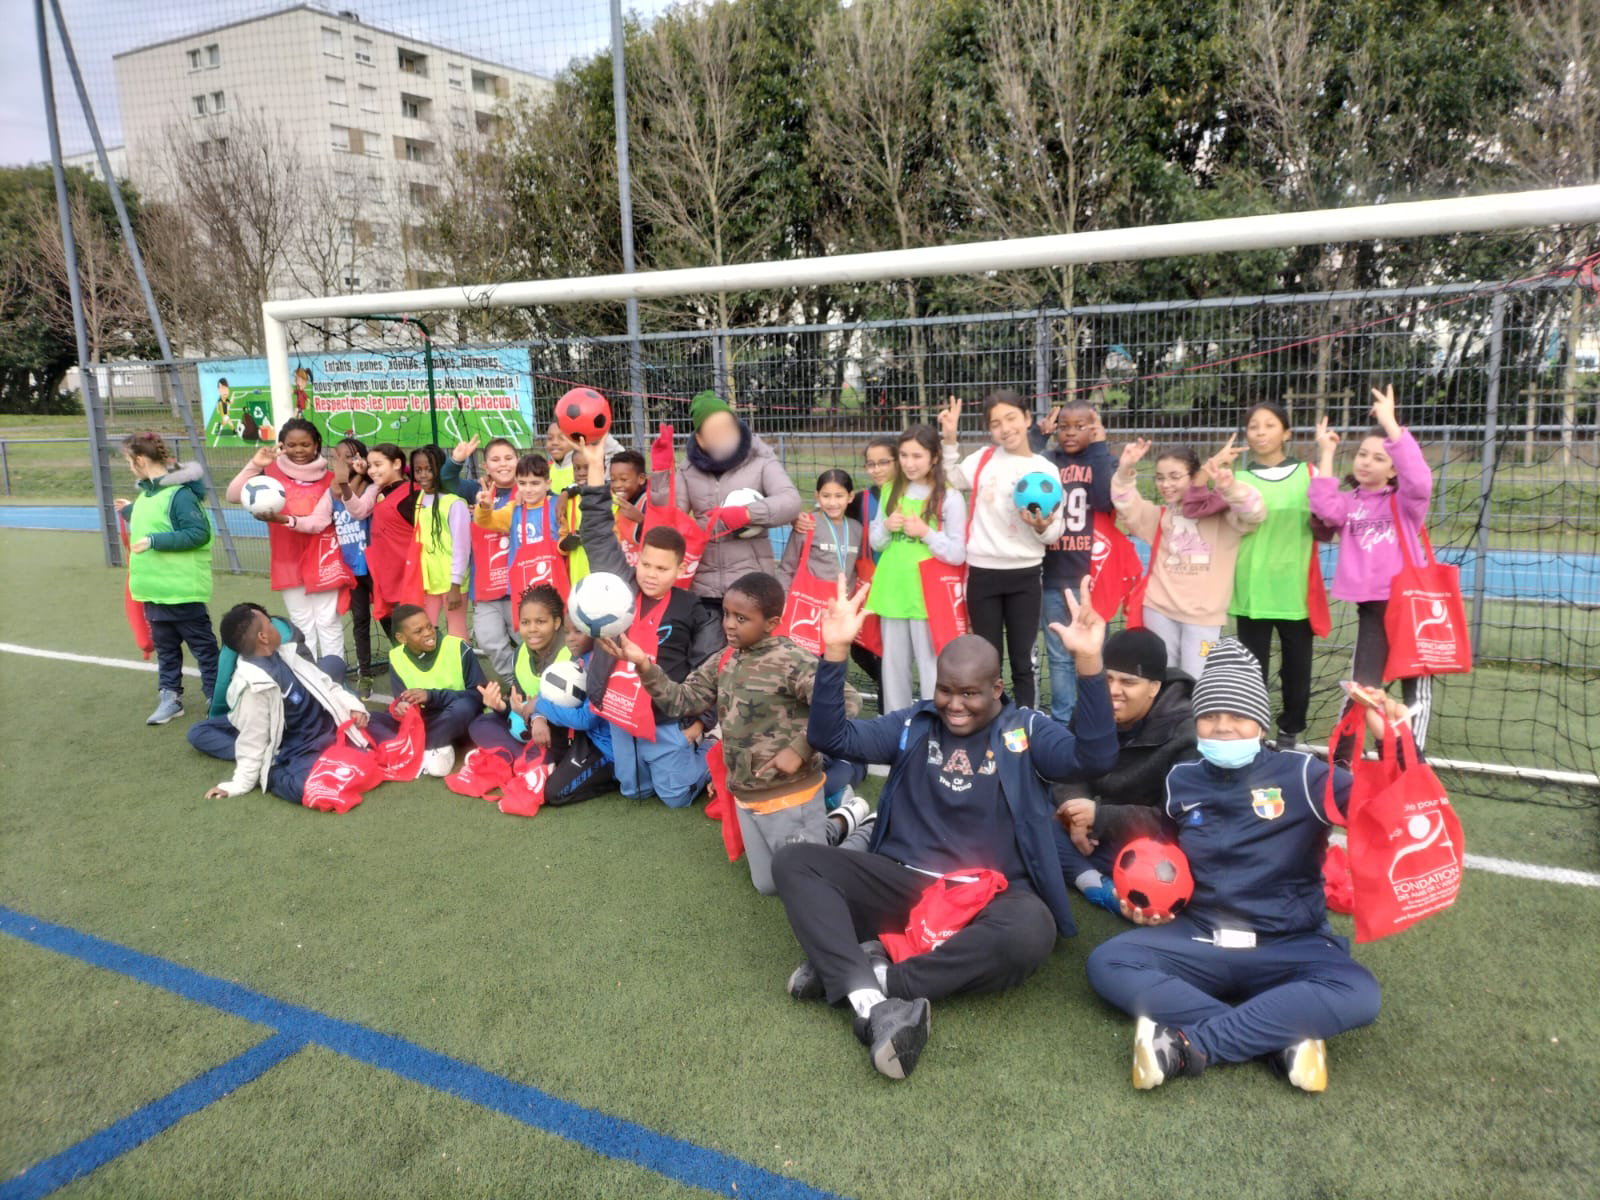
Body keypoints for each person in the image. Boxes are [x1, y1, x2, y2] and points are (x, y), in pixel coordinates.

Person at [770, 577, 1119, 1080]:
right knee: (795, 862)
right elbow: (832, 734)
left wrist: (1089, 664)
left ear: (997, 689)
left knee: (1030, 932)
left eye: (970, 694)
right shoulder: (915, 723)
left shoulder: (1026, 730)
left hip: (990, 896)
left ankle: (871, 973)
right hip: (905, 882)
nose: (955, 705)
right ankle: (871, 1000)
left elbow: (1096, 756)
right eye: (945, 690)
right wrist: (836, 650)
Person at [1074, 638, 1383, 1093]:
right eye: (1210, 716)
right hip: (1202, 938)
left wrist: (1394, 742)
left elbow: (1388, 807)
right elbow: (1172, 859)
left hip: (1289, 943)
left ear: (1259, 722)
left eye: (1236, 716)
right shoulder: (1182, 779)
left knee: (1361, 994)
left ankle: (1186, 1046)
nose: (1222, 727)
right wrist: (1153, 907)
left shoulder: (1305, 775)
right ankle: (1281, 1039)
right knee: (1108, 963)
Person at [604, 572, 875, 895]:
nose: (729, 624)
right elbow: (682, 700)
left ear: (772, 622)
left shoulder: (793, 661)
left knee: (812, 883)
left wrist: (802, 748)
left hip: (792, 794)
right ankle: (838, 822)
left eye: (741, 618)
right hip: (747, 797)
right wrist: (643, 665)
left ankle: (867, 832)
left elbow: (847, 701)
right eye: (728, 614)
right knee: (768, 885)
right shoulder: (724, 661)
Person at [574, 437, 724, 807]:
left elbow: (710, 667)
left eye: (662, 568)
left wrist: (701, 721)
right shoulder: (620, 587)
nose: (651, 574)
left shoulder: (693, 609)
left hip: (666, 720)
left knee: (674, 798)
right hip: (622, 712)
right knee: (635, 791)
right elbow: (595, 532)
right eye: (646, 564)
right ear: (637, 559)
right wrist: (595, 469)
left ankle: (713, 751)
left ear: (679, 569)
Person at [1310, 384, 1436, 756]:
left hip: (1410, 608)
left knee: (1416, 687)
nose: (1366, 462)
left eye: (1378, 459)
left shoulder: (1406, 502)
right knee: (1362, 687)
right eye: (1362, 454)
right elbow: (1325, 508)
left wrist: (1391, 425)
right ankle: (1345, 755)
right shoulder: (1349, 504)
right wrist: (1327, 453)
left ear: (1394, 468)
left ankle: (1411, 758)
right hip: (1373, 610)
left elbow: (1421, 479)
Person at [1052, 628, 1197, 915]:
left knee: (1178, 854)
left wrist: (1100, 816)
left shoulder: (1187, 733)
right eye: (1107, 678)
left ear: (1154, 688)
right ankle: (1097, 885)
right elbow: (1068, 768)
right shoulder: (1094, 704)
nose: (1113, 691)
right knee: (1029, 815)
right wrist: (1073, 813)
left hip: (1148, 838)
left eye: (1128, 682)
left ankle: (1107, 879)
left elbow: (1177, 821)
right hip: (1093, 831)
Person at [938, 391, 1064, 709]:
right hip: (982, 574)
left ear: (1027, 419)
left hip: (1024, 575)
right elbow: (951, 478)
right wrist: (949, 438)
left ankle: (1025, 722)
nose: (1005, 428)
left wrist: (1039, 525)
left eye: (1011, 418)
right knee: (985, 658)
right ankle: (990, 720)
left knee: (1024, 659)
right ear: (989, 431)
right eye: (996, 423)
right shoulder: (982, 460)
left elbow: (1054, 533)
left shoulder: (1044, 469)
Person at [196, 604, 388, 805]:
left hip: (328, 724)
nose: (276, 626)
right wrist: (242, 783)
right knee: (308, 788)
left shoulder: (286, 653)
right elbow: (254, 738)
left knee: (388, 728)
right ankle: (271, 769)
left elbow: (326, 684)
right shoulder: (253, 687)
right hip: (302, 744)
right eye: (270, 624)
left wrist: (353, 706)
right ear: (263, 637)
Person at [1112, 437, 1264, 680]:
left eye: (1174, 476)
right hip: (1158, 610)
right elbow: (1124, 503)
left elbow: (1255, 511)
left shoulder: (1224, 516)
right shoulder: (1160, 516)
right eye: (1160, 477)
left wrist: (1228, 486)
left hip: (1203, 617)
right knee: (1162, 680)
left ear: (1194, 478)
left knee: (1197, 682)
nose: (1166, 484)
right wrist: (1124, 469)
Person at [649, 390, 802, 622]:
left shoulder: (761, 460)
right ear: (700, 438)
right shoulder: (688, 470)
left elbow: (791, 501)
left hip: (751, 585)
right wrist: (661, 472)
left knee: (751, 655)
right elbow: (669, 520)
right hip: (703, 586)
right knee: (707, 654)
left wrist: (749, 513)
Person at [1231, 402, 1322, 748]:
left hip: (1295, 589)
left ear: (1286, 432)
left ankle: (1290, 731)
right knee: (1251, 669)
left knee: (1297, 669)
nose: (1260, 432)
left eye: (1269, 425)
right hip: (1251, 587)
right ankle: (1253, 730)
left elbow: (1327, 517)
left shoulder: (1310, 473)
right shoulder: (1237, 479)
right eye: (1253, 426)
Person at [225, 418, 347, 669]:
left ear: (317, 446)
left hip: (323, 558)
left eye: (306, 444)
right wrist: (254, 464)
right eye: (291, 445)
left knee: (328, 621)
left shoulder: (331, 479)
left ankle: (336, 675)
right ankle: (310, 676)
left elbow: (321, 520)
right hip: (287, 559)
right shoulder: (268, 474)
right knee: (302, 622)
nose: (299, 450)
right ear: (282, 445)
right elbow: (233, 495)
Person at [116, 432, 219, 724]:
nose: (128, 466)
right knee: (166, 650)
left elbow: (198, 534)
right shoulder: (148, 494)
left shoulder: (181, 495)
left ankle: (217, 698)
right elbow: (152, 517)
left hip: (183, 590)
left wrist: (152, 541)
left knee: (204, 650)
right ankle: (170, 698)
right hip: (155, 590)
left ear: (139, 460)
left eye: (128, 461)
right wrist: (129, 512)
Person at [866, 425, 968, 711]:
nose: (909, 463)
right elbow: (876, 542)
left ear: (934, 457)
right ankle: (895, 733)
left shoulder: (949, 498)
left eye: (917, 456)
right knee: (893, 671)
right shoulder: (889, 490)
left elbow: (958, 553)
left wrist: (926, 532)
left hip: (929, 599)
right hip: (893, 593)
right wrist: (886, 527)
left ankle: (932, 730)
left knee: (931, 672)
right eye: (904, 455)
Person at [1031, 400, 1115, 723]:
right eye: (1064, 426)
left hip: (1091, 580)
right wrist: (1038, 438)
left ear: (1094, 428)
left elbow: (1105, 500)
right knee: (1059, 656)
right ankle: (1063, 723)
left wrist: (1098, 446)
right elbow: (1020, 469)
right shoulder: (1047, 459)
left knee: (1093, 653)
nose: (1069, 433)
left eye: (1080, 426)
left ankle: (1094, 718)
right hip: (1053, 575)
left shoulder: (1103, 460)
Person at [443, 435, 523, 683]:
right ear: (486, 466)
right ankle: (515, 683)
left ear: (518, 461)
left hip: (520, 586)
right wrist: (457, 459)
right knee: (489, 641)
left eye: (509, 458)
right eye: (495, 459)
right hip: (487, 588)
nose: (503, 464)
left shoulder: (530, 489)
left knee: (530, 641)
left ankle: (537, 685)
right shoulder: (479, 490)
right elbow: (447, 482)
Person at [388, 604, 487, 778]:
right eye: (418, 631)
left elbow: (480, 695)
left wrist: (431, 696)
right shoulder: (396, 657)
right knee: (373, 719)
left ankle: (421, 747)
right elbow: (401, 701)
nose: (428, 633)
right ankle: (435, 745)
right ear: (401, 638)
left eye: (429, 626)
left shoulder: (458, 647)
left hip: (461, 717)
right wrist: (401, 707)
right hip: (426, 721)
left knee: (463, 709)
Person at [333, 443, 416, 630]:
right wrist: (344, 484)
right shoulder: (376, 490)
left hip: (410, 566)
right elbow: (358, 511)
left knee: (415, 618)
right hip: (387, 567)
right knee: (398, 619)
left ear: (396, 464)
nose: (372, 471)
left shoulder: (414, 491)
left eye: (378, 465)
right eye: (370, 466)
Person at [851, 436, 898, 709]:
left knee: (891, 656)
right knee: (860, 648)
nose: (877, 469)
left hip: (903, 588)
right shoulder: (860, 500)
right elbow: (830, 515)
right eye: (871, 464)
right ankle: (888, 698)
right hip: (869, 587)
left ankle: (889, 711)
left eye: (883, 463)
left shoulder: (911, 495)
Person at [330, 437, 378, 697]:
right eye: (341, 456)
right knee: (360, 620)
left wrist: (360, 474)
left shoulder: (371, 484)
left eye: (352, 455)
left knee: (387, 617)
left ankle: (406, 662)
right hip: (351, 568)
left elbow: (357, 504)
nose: (347, 461)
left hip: (374, 565)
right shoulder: (331, 490)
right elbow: (334, 498)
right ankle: (366, 673)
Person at [409, 445, 471, 641]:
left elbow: (462, 548)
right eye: (418, 470)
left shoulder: (455, 503)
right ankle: (434, 671)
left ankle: (463, 670)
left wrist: (455, 584)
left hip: (452, 582)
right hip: (428, 581)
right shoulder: (419, 498)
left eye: (429, 469)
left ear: (440, 469)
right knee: (425, 630)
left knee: (456, 632)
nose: (423, 475)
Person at [777, 470, 864, 595]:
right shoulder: (806, 525)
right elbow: (786, 568)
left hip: (844, 607)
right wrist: (784, 602)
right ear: (817, 496)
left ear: (850, 497)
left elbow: (858, 570)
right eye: (826, 496)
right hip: (810, 605)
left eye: (839, 496)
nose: (832, 502)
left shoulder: (857, 529)